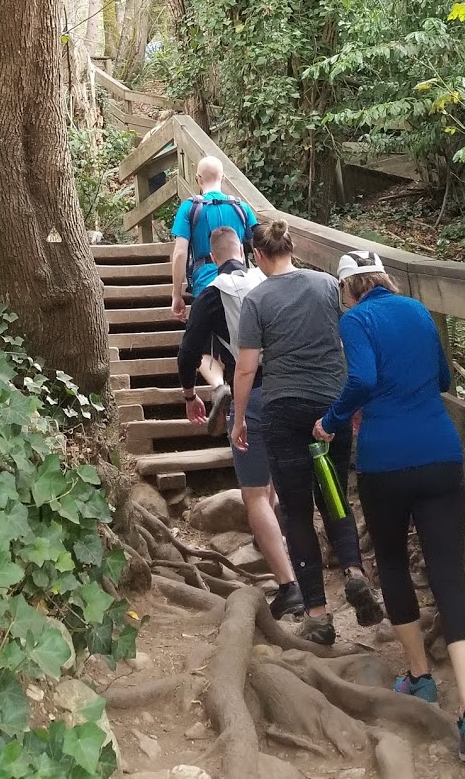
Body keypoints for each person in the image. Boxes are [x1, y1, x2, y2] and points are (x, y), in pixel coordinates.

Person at [314, 249, 465, 764]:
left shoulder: (357, 319)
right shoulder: (417, 311)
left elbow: (363, 378)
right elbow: (443, 380)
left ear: (348, 288)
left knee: (392, 563)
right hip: (440, 453)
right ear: (383, 278)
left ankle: (419, 678)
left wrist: (332, 419)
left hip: (386, 462)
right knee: (449, 576)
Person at [231, 219, 383, 645]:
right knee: (334, 493)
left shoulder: (257, 298)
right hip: (330, 404)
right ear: (292, 248)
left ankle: (316, 612)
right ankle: (354, 570)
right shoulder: (325, 286)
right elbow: (349, 339)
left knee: (296, 511)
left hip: (282, 409)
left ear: (257, 256)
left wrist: (241, 418)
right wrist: (352, 402)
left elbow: (246, 366)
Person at [177, 225, 304, 620]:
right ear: (247, 252)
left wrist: (188, 394)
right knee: (274, 486)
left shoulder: (213, 291)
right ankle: (297, 558)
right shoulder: (272, 279)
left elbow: (188, 352)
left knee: (253, 494)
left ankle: (288, 586)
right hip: (297, 388)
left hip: (252, 393)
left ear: (213, 258)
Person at [171, 157, 257, 431]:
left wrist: (176, 293)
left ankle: (219, 387)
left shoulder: (190, 208)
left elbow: (180, 252)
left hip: (208, 285)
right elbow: (261, 243)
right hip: (246, 285)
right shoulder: (242, 207)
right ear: (223, 178)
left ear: (197, 179)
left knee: (205, 346)